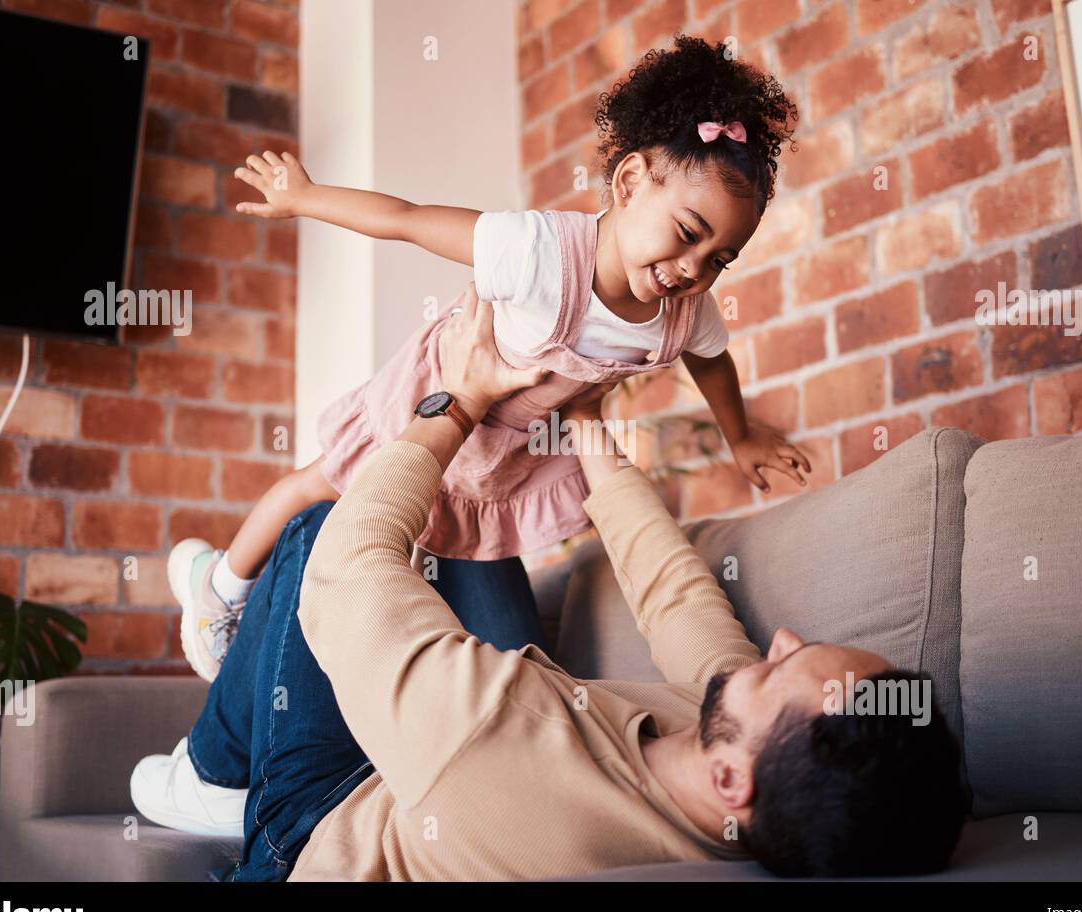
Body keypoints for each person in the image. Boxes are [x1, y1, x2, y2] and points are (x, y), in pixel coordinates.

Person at [130, 285, 968, 881]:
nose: (780, 640)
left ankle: (215, 768)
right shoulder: (742, 782)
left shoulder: (498, 747)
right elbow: (679, 599)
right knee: (475, 520)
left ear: (731, 782)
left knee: (321, 526)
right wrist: (588, 418)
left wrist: (454, 401)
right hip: (450, 757)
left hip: (320, 826)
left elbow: (348, 573)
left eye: (783, 668)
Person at [165, 33, 811, 681]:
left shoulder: (683, 314)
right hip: (441, 398)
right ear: (632, 180)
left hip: (511, 449)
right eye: (688, 235)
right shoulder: (536, 252)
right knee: (321, 484)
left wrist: (741, 433)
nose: (692, 269)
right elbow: (407, 219)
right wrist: (306, 198)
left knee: (465, 554)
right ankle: (217, 583)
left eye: (718, 260)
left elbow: (713, 361)